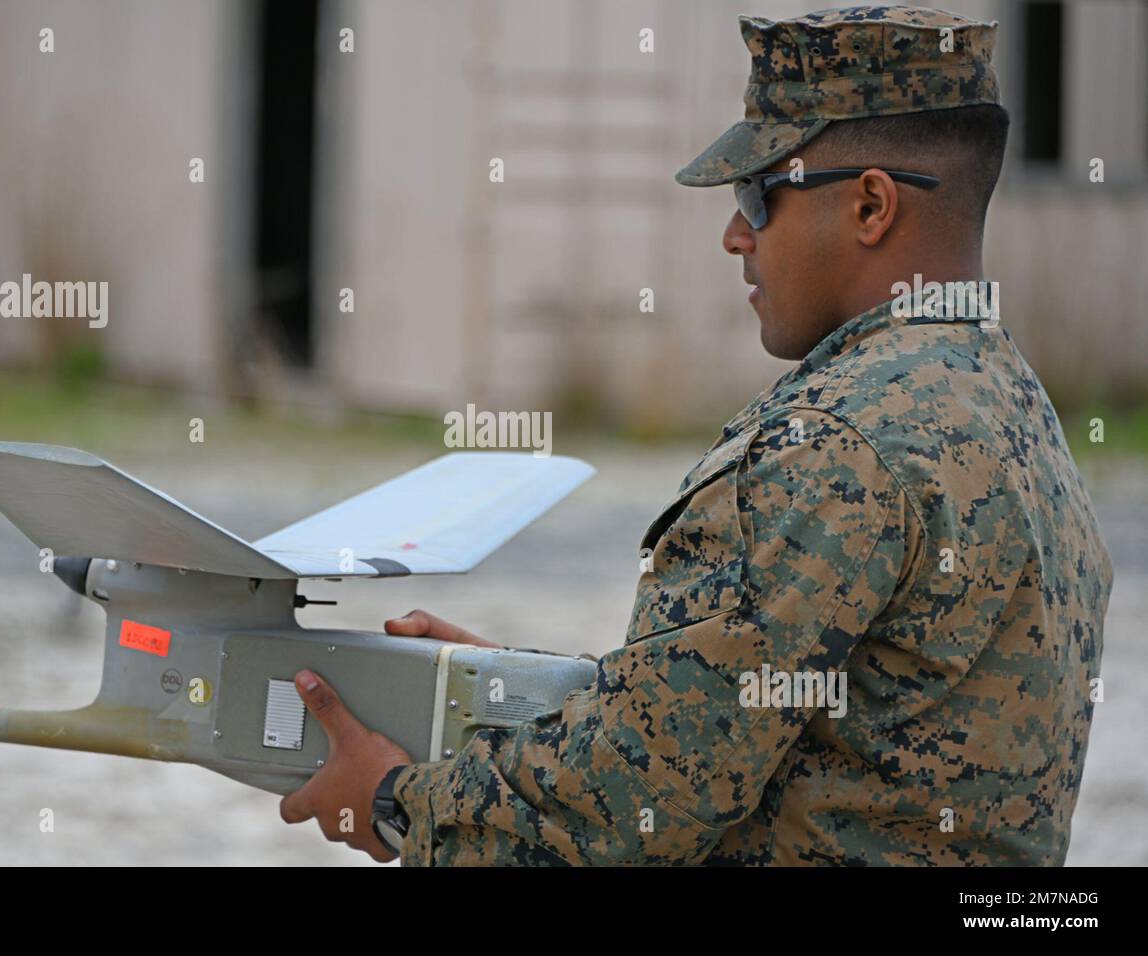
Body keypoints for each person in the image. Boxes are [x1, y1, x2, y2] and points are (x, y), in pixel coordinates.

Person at [278, 5, 1113, 866]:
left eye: (760, 193)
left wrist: (391, 801)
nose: (734, 235)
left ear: (871, 205)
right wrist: (535, 696)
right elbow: (795, 719)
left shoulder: (831, 443)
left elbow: (640, 804)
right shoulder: (1011, 402)